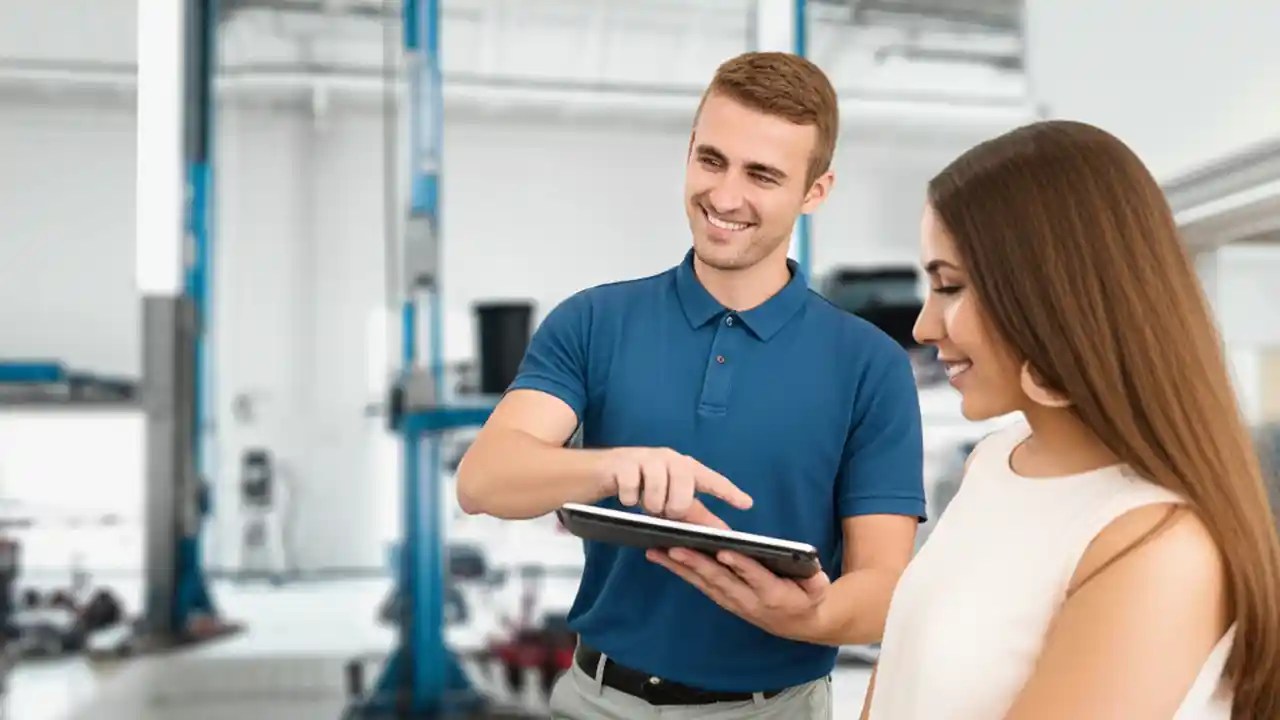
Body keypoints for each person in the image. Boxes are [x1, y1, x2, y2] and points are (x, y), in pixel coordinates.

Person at [456, 51, 926, 719]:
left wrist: (806, 615)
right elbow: (484, 480)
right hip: (597, 701)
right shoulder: (594, 321)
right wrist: (615, 466)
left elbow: (885, 587)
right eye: (712, 161)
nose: (725, 197)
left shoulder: (870, 365)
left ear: (815, 191)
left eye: (762, 175)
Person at [862, 120, 1280, 720]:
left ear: (1047, 296)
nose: (924, 327)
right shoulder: (997, 459)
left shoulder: (1156, 548)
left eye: (949, 287)